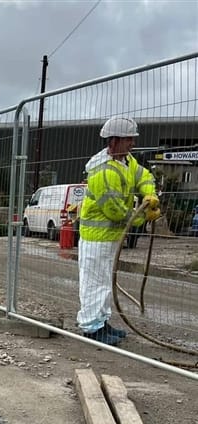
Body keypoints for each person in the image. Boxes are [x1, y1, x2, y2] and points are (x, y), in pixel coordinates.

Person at [77, 117, 160, 345]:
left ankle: (101, 321)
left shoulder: (126, 161)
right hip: (96, 239)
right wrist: (142, 217)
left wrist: (149, 194)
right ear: (114, 141)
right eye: (128, 139)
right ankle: (92, 327)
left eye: (132, 138)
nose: (132, 143)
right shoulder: (103, 172)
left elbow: (143, 176)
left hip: (110, 238)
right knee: (94, 283)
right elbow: (115, 211)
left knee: (105, 282)